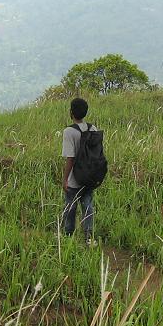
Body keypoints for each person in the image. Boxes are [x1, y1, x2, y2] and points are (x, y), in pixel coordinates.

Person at [61, 97, 97, 243]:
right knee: (87, 205)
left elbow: (70, 158)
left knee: (70, 206)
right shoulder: (92, 128)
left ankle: (68, 235)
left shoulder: (69, 132)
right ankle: (89, 237)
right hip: (89, 176)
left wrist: (65, 179)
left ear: (71, 112)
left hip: (74, 178)